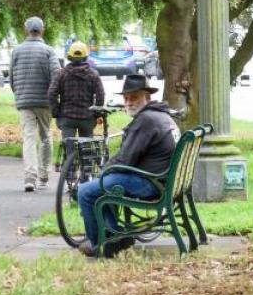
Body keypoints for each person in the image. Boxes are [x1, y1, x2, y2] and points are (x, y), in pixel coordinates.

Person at [77, 74, 180, 257]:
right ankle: (114, 236)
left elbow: (125, 159)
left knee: (85, 192)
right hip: (162, 180)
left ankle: (101, 244)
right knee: (102, 186)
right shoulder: (161, 115)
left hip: (151, 184)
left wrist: (103, 172)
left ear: (147, 97)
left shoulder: (147, 120)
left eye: (134, 97)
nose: (128, 102)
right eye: (125, 98)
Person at [10, 16, 61, 192]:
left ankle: (29, 178)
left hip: (24, 101)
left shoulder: (16, 51)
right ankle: (44, 176)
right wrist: (55, 98)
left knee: (29, 138)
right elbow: (56, 75)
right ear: (42, 30)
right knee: (46, 136)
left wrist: (19, 94)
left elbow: (11, 78)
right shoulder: (49, 51)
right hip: (44, 101)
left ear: (26, 31)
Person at [49, 40, 105, 139]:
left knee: (69, 148)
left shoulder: (61, 73)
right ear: (86, 56)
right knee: (87, 150)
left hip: (67, 117)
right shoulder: (93, 74)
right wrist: (96, 114)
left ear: (69, 56)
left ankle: (70, 154)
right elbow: (101, 95)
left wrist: (56, 112)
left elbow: (52, 93)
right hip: (87, 117)